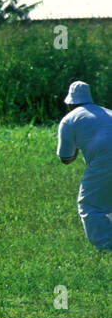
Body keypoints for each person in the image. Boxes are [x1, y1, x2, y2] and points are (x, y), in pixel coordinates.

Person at [56, 80, 112, 251]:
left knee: (90, 204)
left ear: (70, 103)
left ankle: (105, 247)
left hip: (104, 159)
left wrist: (77, 145)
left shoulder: (69, 120)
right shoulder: (108, 112)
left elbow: (66, 158)